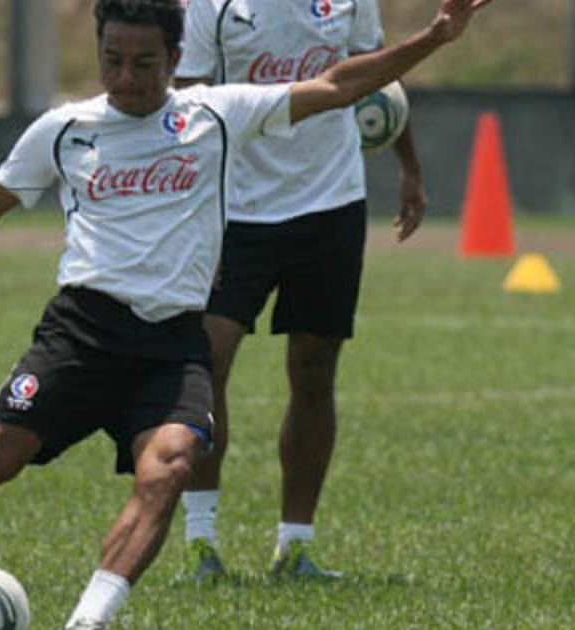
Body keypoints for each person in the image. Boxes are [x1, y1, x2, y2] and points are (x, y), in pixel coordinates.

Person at [0, 0, 489, 626]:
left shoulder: (217, 114)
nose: (127, 78)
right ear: (99, 53)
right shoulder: (65, 129)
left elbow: (340, 84)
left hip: (172, 347)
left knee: (167, 466)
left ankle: (88, 619)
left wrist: (434, 36)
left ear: (174, 58)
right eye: (113, 60)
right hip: (81, 334)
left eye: (144, 63)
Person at [172, 0, 428, 581]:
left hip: (330, 201)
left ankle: (295, 547)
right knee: (206, 365)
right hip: (236, 210)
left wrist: (409, 164)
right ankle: (200, 543)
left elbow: (374, 69)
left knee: (314, 372)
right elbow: (187, 106)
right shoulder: (211, 7)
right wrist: (188, 211)